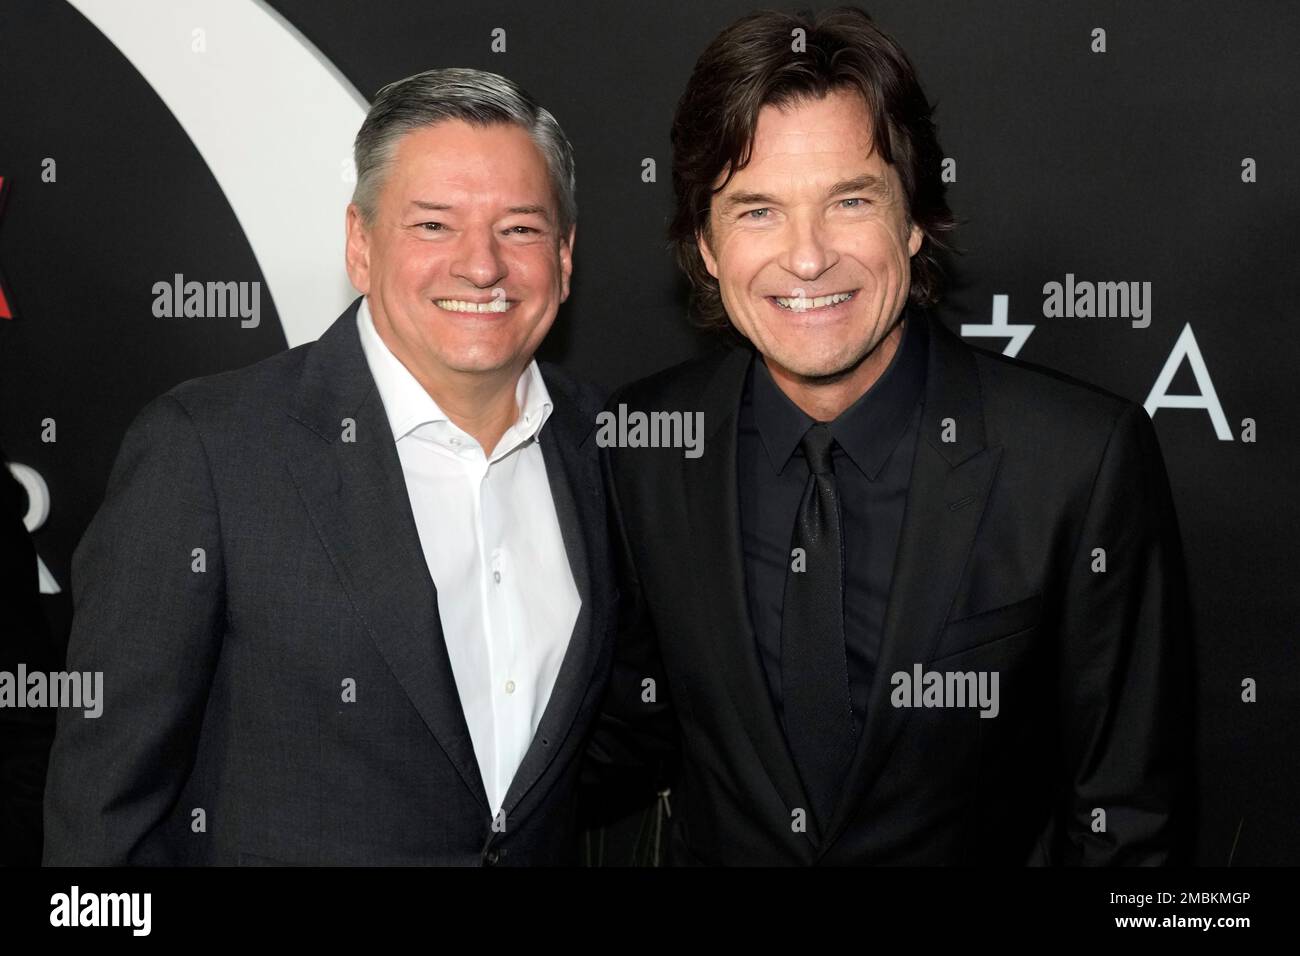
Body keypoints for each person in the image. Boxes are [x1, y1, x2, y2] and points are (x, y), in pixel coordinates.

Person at [590, 7, 1193, 865]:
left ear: (914, 220)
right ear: (705, 245)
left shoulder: (1077, 462)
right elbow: (617, 743)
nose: (806, 259)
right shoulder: (641, 446)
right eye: (757, 211)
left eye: (849, 201)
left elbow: (1129, 821)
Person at [43, 68, 615, 865]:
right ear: (360, 244)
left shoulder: (604, 447)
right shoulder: (208, 450)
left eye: (519, 228)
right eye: (434, 225)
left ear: (564, 255)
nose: (481, 266)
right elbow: (101, 819)